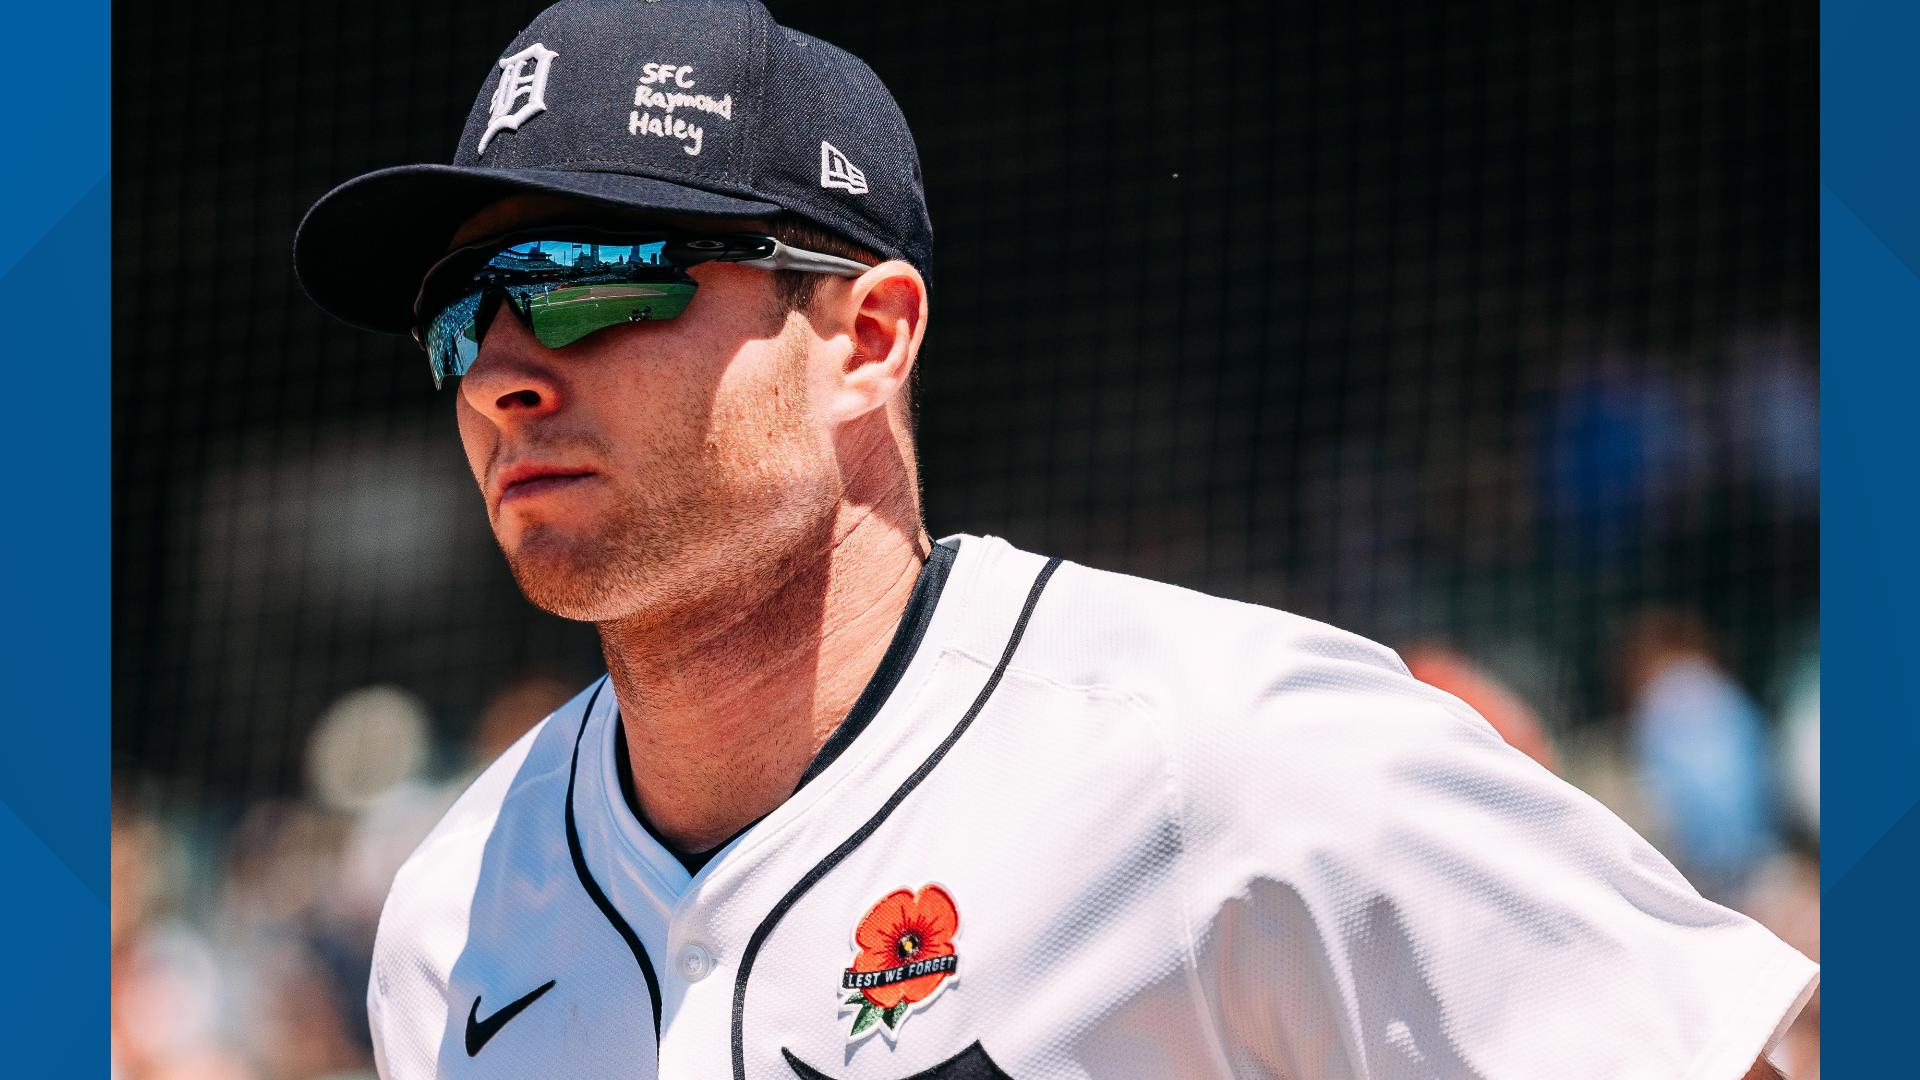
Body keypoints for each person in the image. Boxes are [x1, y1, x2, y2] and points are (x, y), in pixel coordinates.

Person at [292, 2, 1816, 1077]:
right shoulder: (448, 915)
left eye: (584, 274)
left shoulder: (1238, 763)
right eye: (458, 313)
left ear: (868, 338)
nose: (502, 368)